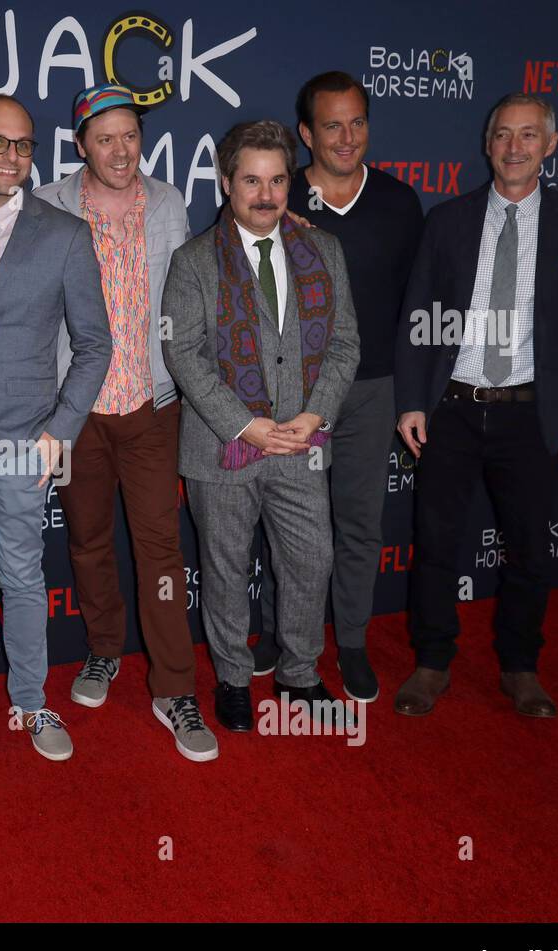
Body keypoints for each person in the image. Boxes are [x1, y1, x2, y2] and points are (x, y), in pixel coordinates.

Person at [0, 85, 213, 759]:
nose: (120, 149)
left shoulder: (166, 203)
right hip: (27, 418)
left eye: (130, 135)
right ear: (80, 143)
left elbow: (165, 305)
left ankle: (170, 687)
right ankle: (96, 652)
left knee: (156, 551)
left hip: (135, 403)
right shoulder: (27, 203)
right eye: (104, 137)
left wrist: (58, 423)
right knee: (74, 545)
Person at [394, 93, 558, 719]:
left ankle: (520, 666)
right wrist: (412, 400)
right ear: (487, 144)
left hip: (532, 414)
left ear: (550, 145)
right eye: (503, 135)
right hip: (452, 409)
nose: (514, 147)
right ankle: (432, 663)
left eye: (528, 135)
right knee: (434, 543)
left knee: (530, 550)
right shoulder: (449, 220)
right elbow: (417, 317)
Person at [0, 94, 112, 761]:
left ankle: (32, 700)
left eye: (24, 145)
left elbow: (96, 344)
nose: (12, 156)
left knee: (23, 573)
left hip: (19, 435)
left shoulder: (64, 234)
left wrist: (60, 431)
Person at [162, 120, 360, 734]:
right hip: (224, 449)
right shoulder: (193, 259)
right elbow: (183, 353)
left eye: (277, 180)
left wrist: (314, 415)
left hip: (301, 443)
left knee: (311, 559)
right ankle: (231, 678)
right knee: (223, 569)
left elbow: (346, 344)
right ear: (227, 183)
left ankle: (299, 673)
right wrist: (243, 424)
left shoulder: (322, 249)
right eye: (251, 180)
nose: (266, 194)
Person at [254, 71, 424, 702]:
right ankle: (278, 633)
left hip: (371, 388)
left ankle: (349, 641)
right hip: (290, 391)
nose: (347, 136)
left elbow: (418, 306)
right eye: (332, 124)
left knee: (358, 523)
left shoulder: (400, 203)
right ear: (306, 133)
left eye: (357, 122)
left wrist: (411, 394)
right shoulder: (273, 194)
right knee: (289, 525)